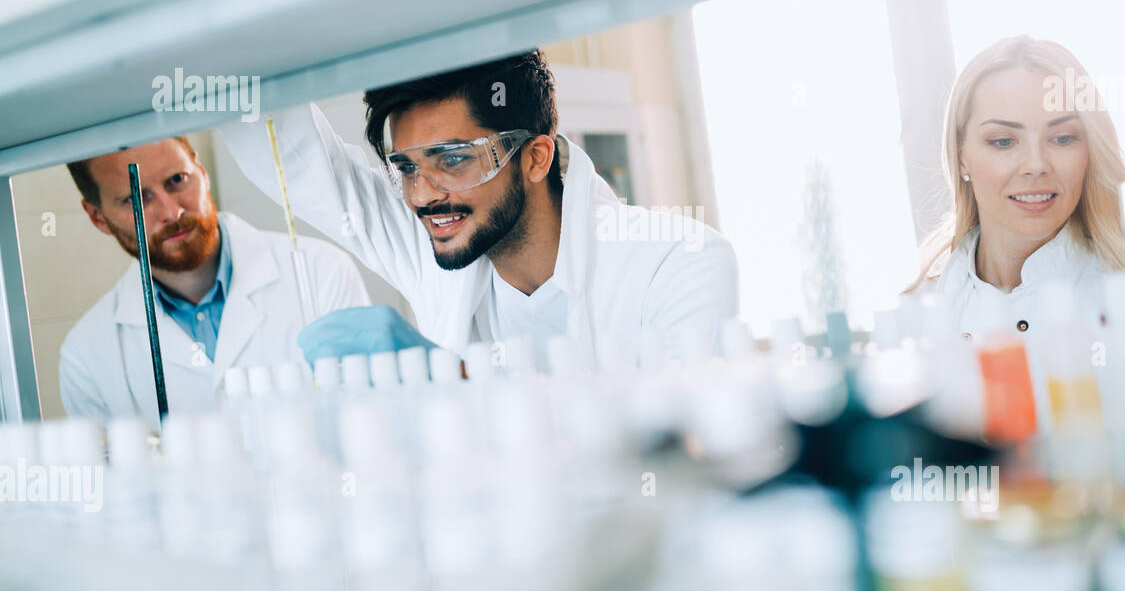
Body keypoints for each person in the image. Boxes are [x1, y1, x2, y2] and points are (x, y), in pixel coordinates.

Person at [219, 51, 738, 370]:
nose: (422, 195)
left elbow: (680, 449)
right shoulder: (438, 235)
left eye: (452, 159)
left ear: (536, 157)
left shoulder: (679, 263)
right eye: (406, 167)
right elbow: (295, 158)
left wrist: (450, 379)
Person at [908, 34, 1125, 419]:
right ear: (961, 156)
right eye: (1004, 141)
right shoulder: (915, 325)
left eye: (1062, 138)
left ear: (1089, 150)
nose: (1036, 164)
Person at [59, 135, 370, 423]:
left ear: (201, 171)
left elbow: (368, 428)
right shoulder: (86, 356)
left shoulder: (321, 272)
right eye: (136, 198)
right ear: (97, 217)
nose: (172, 212)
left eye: (177, 180)